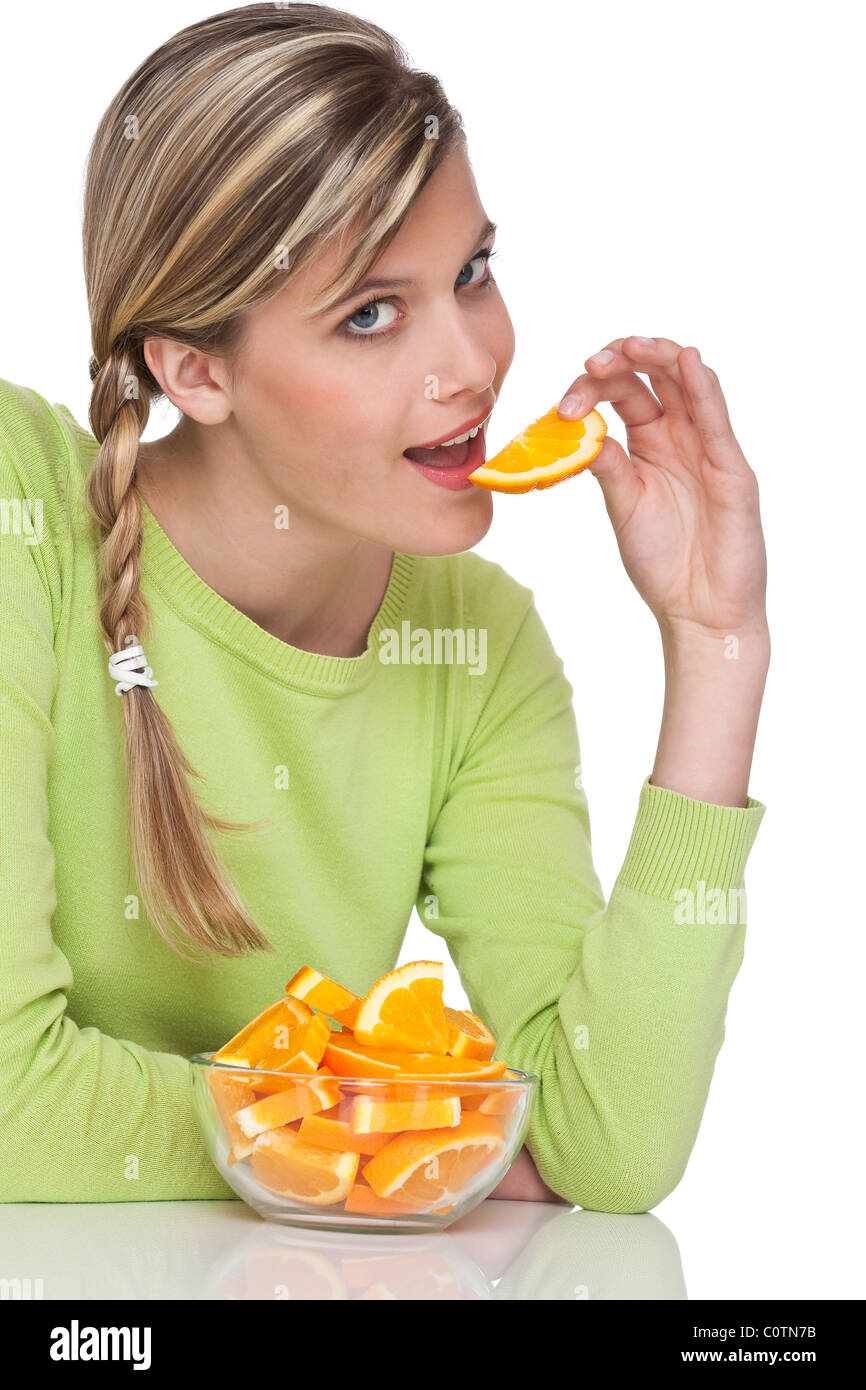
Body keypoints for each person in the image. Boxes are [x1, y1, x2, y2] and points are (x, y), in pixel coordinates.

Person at [0, 3, 768, 1210]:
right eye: (371, 313)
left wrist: (715, 641)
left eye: (470, 272)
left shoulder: (477, 645)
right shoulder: (20, 512)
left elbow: (603, 1147)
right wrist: (384, 1142)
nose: (470, 361)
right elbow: (8, 1108)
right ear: (193, 370)